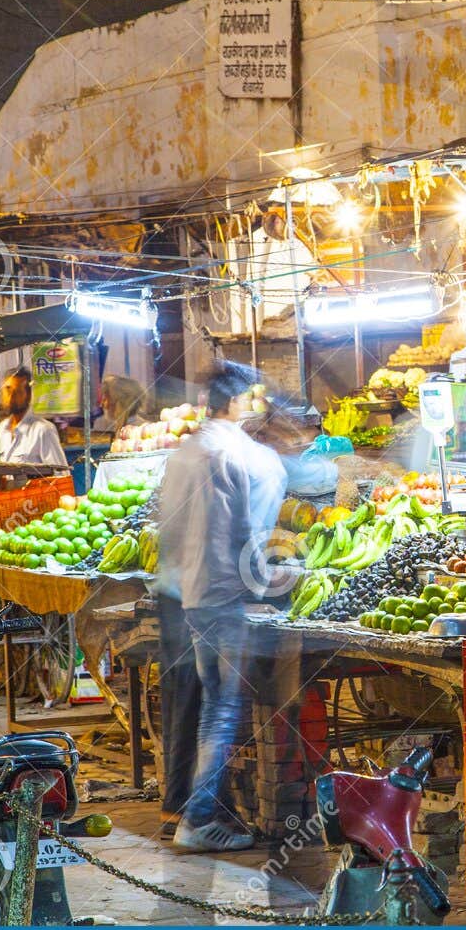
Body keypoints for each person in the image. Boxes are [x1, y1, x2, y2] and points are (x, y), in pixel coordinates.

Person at [153, 362, 286, 852]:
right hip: (225, 598)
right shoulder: (249, 457)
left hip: (187, 596)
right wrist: (271, 582)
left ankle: (194, 813)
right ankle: (199, 817)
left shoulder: (185, 452)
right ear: (236, 403)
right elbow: (253, 537)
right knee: (225, 709)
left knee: (213, 706)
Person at [0, 367, 68, 466]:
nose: (10, 398)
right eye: (8, 390)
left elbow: (60, 476)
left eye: (18, 392)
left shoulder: (43, 430)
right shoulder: (1, 429)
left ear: (28, 395)